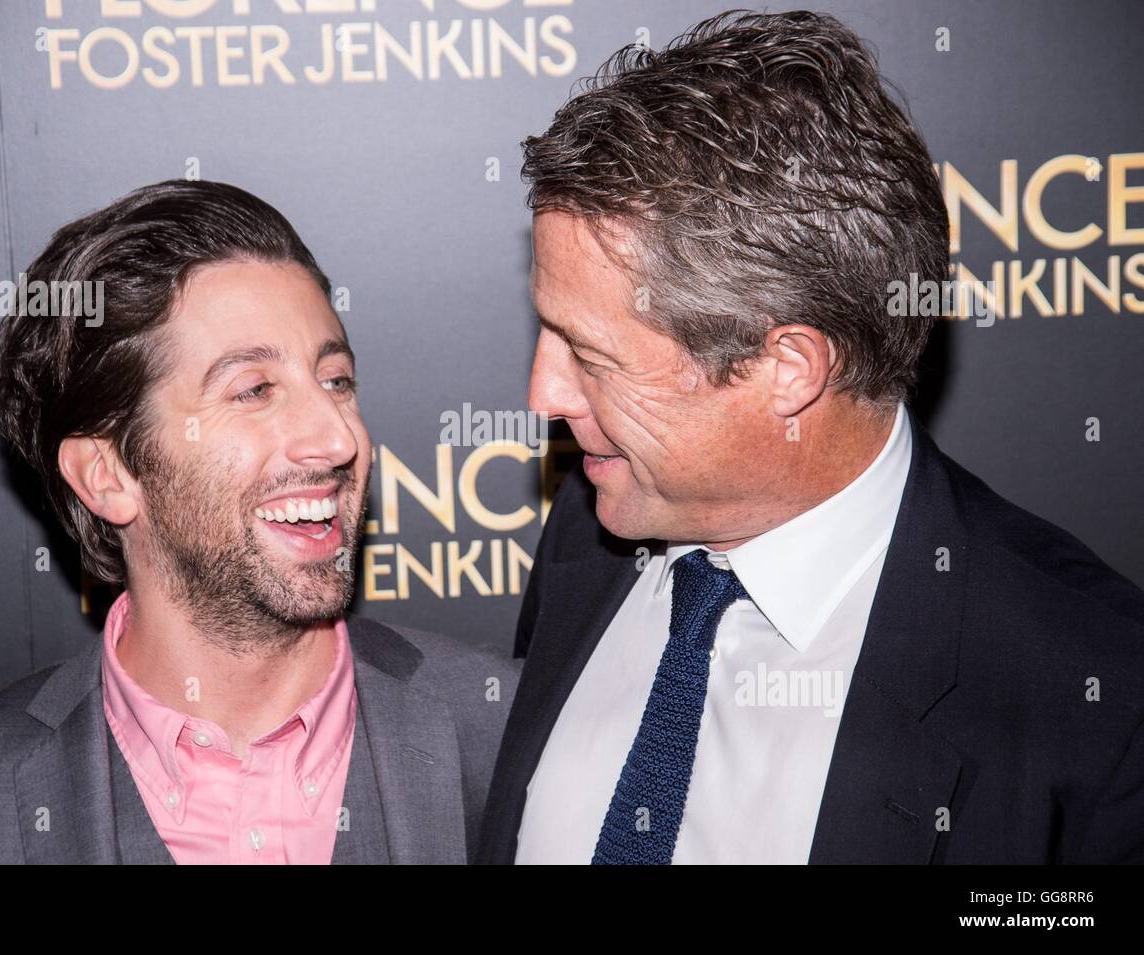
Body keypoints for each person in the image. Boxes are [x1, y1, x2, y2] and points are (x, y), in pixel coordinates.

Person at [477, 11, 1144, 864]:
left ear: (790, 369)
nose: (545, 394)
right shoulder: (595, 525)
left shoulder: (1095, 700)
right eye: (547, 333)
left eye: (591, 354)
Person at [0, 179, 517, 865]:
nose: (337, 436)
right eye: (254, 390)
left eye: (337, 380)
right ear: (108, 475)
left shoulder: (511, 726)